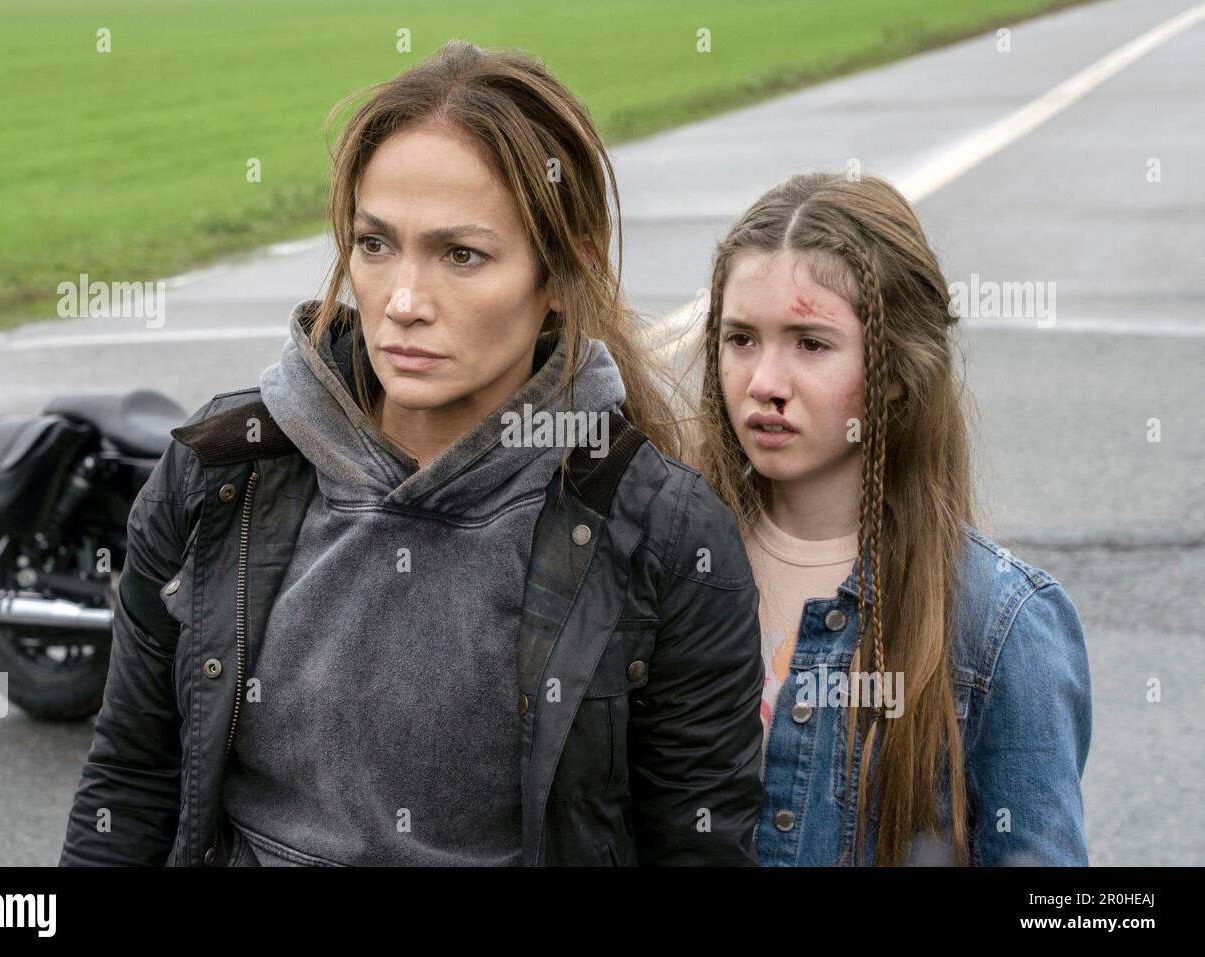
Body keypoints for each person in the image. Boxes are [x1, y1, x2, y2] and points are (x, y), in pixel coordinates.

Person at [59, 40, 765, 867]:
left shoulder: (667, 536)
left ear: (560, 276)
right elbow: (131, 786)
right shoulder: (219, 471)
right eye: (375, 244)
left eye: (461, 254)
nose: (402, 301)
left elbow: (698, 850)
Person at [687, 171, 1092, 865]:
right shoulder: (666, 566)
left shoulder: (999, 623)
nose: (764, 383)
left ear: (897, 368)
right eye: (742, 339)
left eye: (810, 343)